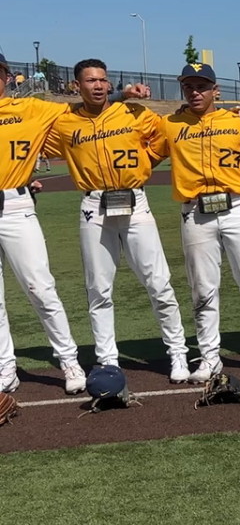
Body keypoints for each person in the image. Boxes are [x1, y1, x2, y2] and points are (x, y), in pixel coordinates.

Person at [44, 58, 191, 383]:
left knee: (159, 283)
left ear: (108, 83)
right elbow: (33, 145)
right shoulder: (64, 122)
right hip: (94, 208)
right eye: (90, 81)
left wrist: (145, 161)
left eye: (102, 80)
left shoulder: (134, 112)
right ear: (76, 86)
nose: (97, 85)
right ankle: (108, 359)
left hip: (135, 202)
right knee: (99, 290)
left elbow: (164, 138)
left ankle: (178, 352)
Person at [159, 63, 240, 381]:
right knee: (202, 289)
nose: (195, 92)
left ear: (215, 90)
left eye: (202, 86)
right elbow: (141, 146)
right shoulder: (170, 124)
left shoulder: (237, 122)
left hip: (237, 209)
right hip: (196, 214)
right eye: (189, 86)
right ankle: (209, 357)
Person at [0, 52, 87, 395]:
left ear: (7, 77)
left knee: (40, 287)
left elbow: (83, 109)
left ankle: (68, 359)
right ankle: (5, 367)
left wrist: (122, 96)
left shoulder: (33, 109)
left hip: (16, 207)